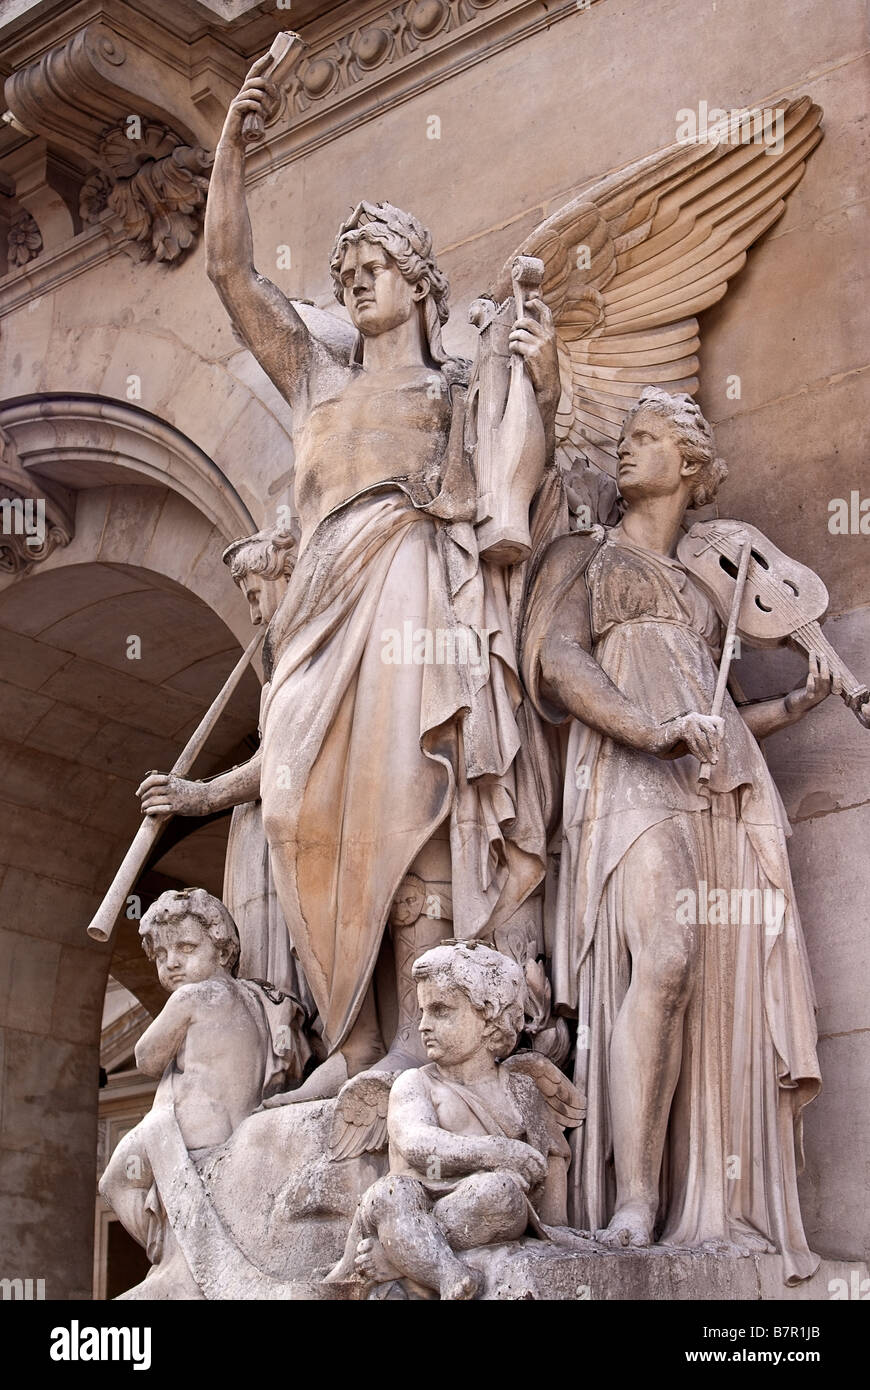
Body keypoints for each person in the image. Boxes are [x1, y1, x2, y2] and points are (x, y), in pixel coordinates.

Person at [138, 53, 562, 1100]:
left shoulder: (458, 388)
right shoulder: (313, 373)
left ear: (420, 282)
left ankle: (407, 1037)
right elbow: (231, 272)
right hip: (325, 603)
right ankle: (354, 1030)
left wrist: (541, 382)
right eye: (347, 270)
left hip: (412, 585)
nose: (356, 279)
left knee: (407, 789)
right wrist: (231, 145)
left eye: (375, 262)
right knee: (294, 809)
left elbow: (519, 480)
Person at [521, 386, 836, 1283]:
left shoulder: (705, 595)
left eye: (650, 437)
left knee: (717, 981)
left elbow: (718, 715)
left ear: (690, 466)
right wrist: (644, 727)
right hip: (626, 772)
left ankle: (709, 1197)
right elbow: (560, 659)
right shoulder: (586, 552)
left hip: (719, 784)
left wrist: (787, 705)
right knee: (662, 958)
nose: (629, 449)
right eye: (625, 436)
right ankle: (633, 1203)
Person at [325, 941, 579, 1300]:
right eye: (423, 1011)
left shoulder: (522, 1090)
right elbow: (416, 1143)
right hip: (412, 1201)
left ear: (489, 1017)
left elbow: (551, 1163)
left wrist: (559, 1228)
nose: (424, 1026)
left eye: (441, 1010)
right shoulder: (415, 1083)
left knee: (502, 1194)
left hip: (473, 1208)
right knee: (392, 1193)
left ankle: (401, 1254)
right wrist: (497, 1151)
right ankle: (447, 1273)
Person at [99, 889, 306, 1270]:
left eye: (186, 948)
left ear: (224, 952)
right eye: (161, 956)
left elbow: (145, 1057)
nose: (171, 964)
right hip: (237, 1134)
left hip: (189, 1136)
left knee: (114, 1182)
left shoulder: (191, 997)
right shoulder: (259, 1000)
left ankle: (171, 1256)